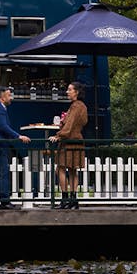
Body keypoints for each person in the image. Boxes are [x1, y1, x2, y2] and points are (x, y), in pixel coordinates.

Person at [0, 86, 31, 210]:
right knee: (2, 173)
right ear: (2, 97)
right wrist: (18, 136)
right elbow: (3, 126)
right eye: (9, 95)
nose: (11, 98)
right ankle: (4, 201)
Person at [49, 81, 88, 209]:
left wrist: (58, 135)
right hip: (77, 140)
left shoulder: (76, 106)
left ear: (76, 92)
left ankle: (65, 198)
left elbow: (69, 125)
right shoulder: (81, 106)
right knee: (72, 170)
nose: (67, 92)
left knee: (60, 168)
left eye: (69, 89)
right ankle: (73, 199)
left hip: (69, 141)